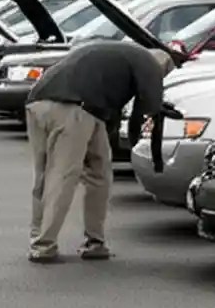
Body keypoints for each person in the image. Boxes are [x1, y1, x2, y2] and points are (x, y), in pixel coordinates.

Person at [24, 41, 176, 263]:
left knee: (81, 173)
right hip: (75, 109)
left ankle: (93, 242)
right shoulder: (151, 64)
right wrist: (143, 150)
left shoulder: (119, 52)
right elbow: (148, 108)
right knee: (63, 176)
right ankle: (43, 246)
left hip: (38, 102)